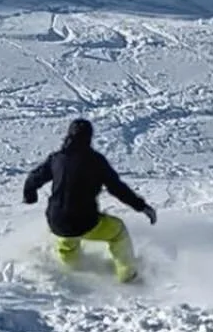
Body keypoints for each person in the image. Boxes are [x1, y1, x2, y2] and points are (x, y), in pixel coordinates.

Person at [23, 117, 157, 281]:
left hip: (56, 221)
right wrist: (142, 207)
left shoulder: (56, 158)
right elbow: (116, 188)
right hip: (85, 222)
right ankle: (127, 274)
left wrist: (30, 196)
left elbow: (32, 179)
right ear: (89, 137)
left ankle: (74, 272)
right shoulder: (95, 161)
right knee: (118, 231)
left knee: (66, 239)